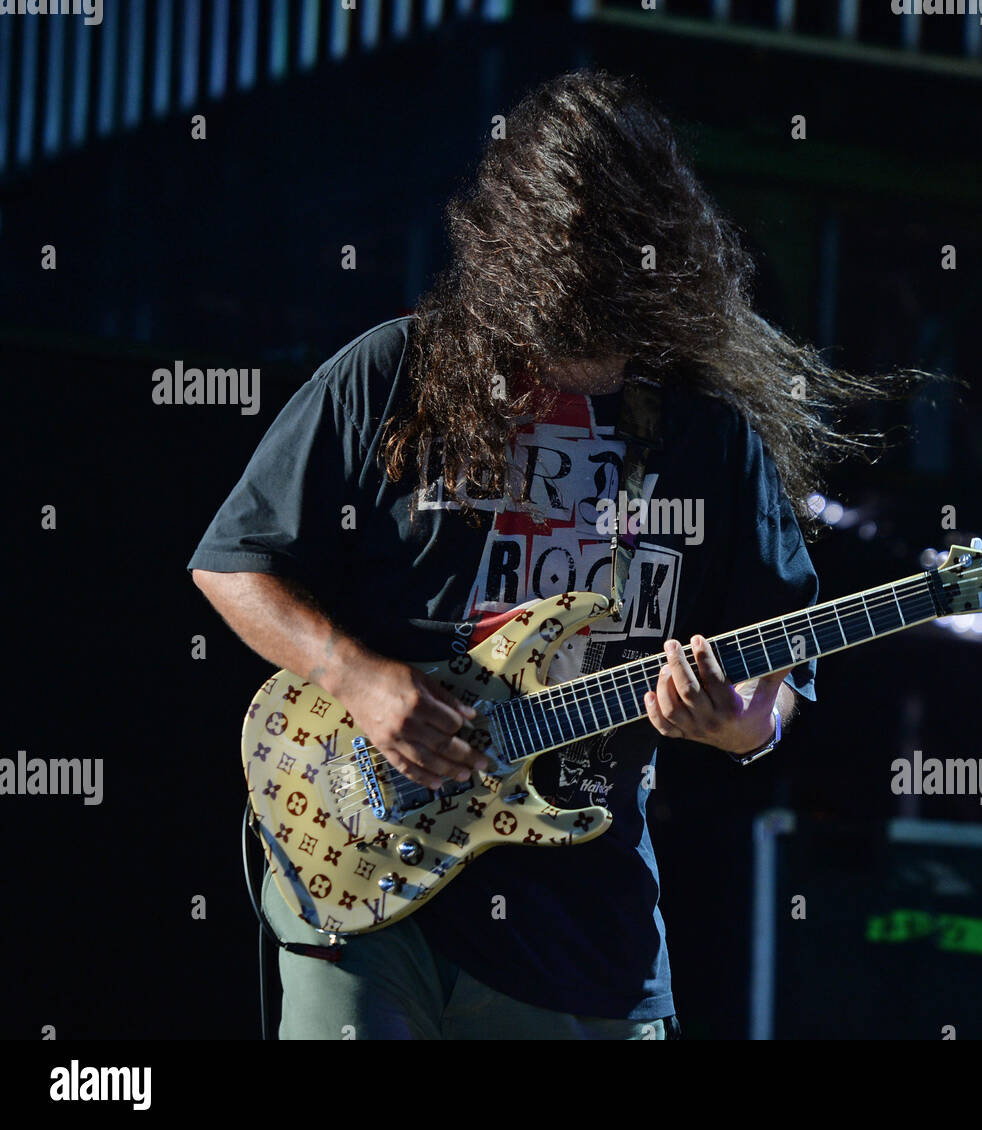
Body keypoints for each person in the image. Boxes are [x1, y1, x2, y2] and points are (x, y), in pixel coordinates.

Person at [189, 70, 890, 1040]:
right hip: (359, 857)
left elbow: (767, 696)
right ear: (514, 256)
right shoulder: (390, 374)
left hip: (578, 921)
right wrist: (358, 676)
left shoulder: (708, 440)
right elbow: (233, 561)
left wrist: (729, 721)